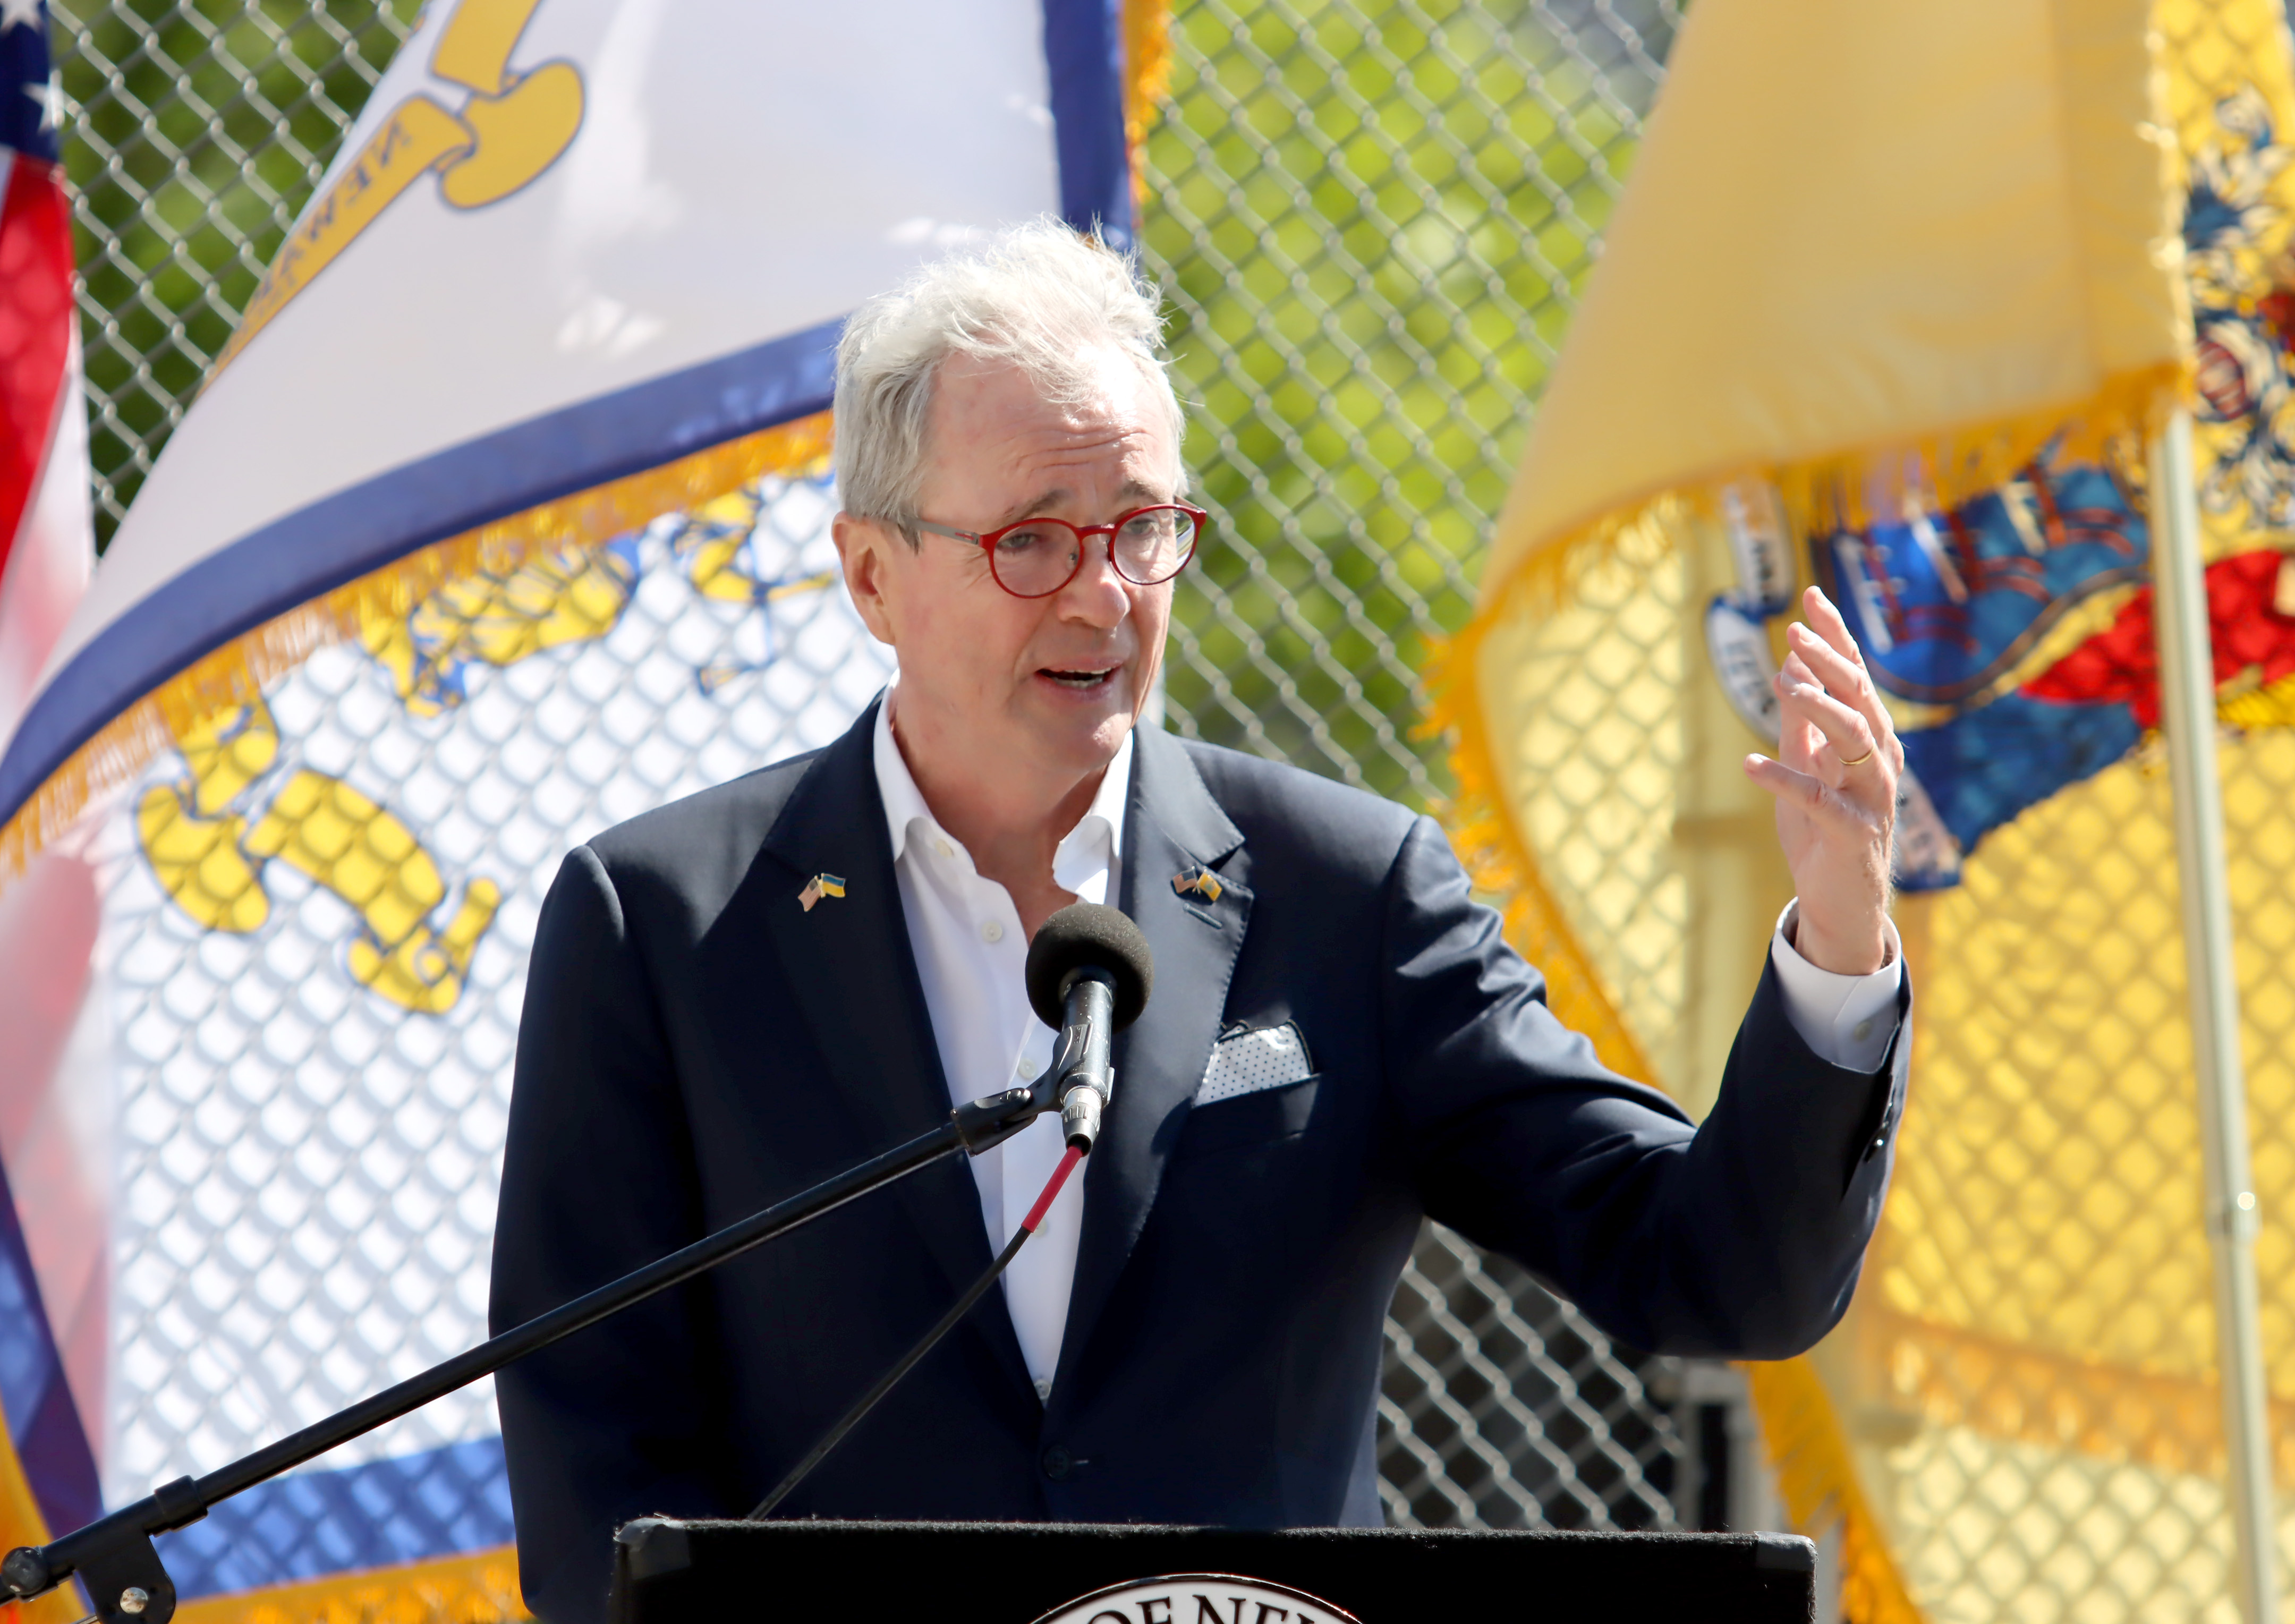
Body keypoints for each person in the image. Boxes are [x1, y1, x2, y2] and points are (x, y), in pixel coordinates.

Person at [490, 222, 1909, 1623]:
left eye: (1143, 530)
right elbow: (594, 1474)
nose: (1106, 593)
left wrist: (1841, 949)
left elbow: (1715, 1271)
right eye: (1034, 540)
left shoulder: (1349, 892)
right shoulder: (664, 926)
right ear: (873, 575)